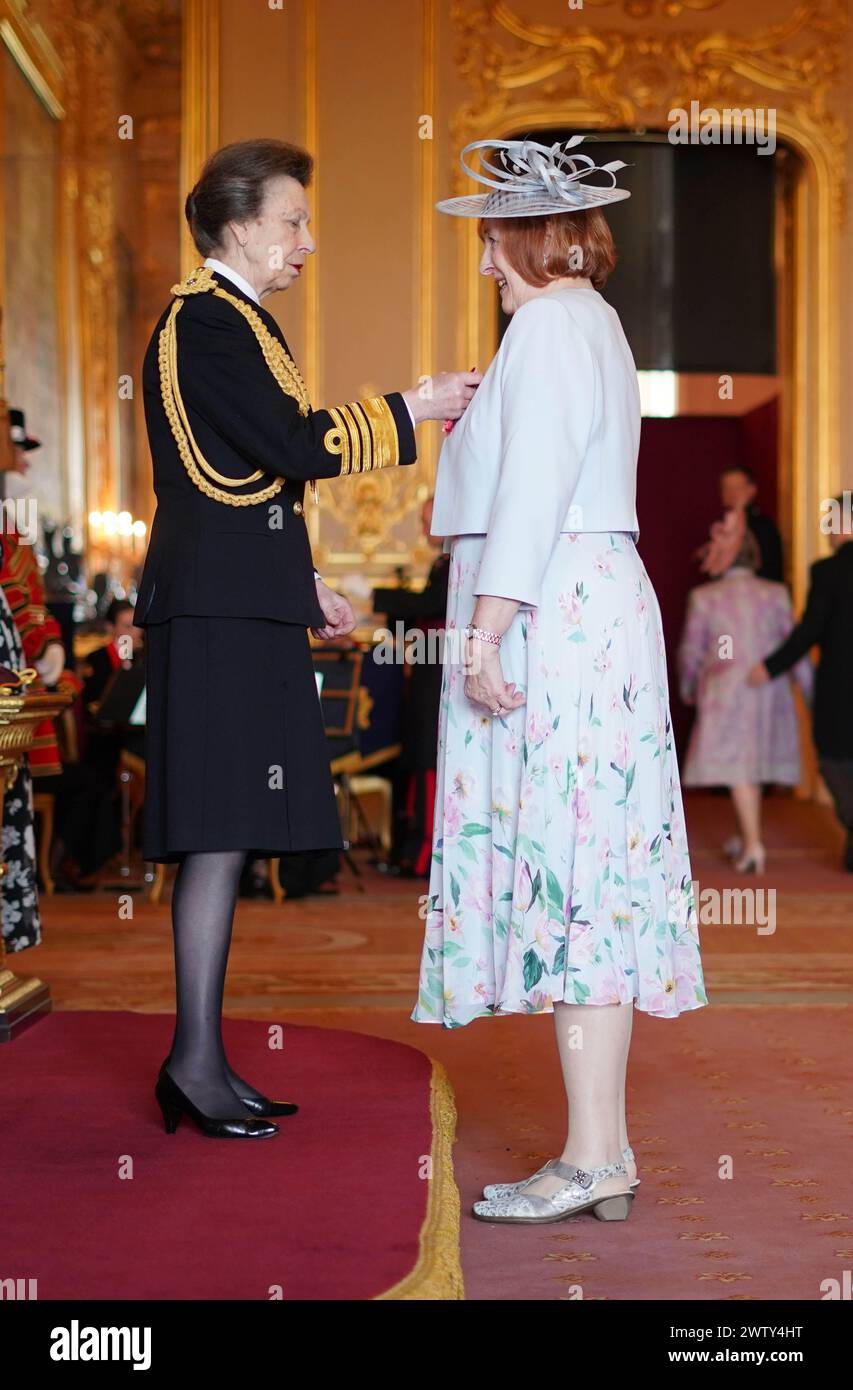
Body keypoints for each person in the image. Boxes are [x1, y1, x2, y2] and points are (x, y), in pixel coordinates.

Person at [135, 137, 479, 1140]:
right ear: (239, 225)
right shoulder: (208, 321)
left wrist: (305, 577)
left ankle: (199, 1056)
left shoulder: (230, 321)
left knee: (228, 830)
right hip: (214, 613)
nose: (307, 242)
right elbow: (289, 449)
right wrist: (409, 409)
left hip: (236, 598)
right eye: (293, 220)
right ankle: (192, 1062)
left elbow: (240, 482)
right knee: (214, 831)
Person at [412, 136, 707, 1226]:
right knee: (593, 870)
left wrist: (484, 637)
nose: (483, 257)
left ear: (526, 234)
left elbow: (532, 492)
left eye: (491, 235)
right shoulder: (593, 321)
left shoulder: (543, 324)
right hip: (592, 599)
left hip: (549, 608)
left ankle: (590, 1156)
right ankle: (604, 1146)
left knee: (574, 871)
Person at [678, 509, 812, 874]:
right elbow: (792, 643)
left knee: (738, 768)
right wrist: (809, 690)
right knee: (749, 767)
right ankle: (744, 835)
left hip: (726, 687)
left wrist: (690, 683)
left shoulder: (707, 597)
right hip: (767, 688)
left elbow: (697, 648)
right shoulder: (775, 593)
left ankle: (753, 845)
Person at [748, 497, 853, 870]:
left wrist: (770, 667)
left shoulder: (827, 571)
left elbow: (810, 631)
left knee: (832, 758)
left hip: (841, 685)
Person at [373, 496, 449, 875]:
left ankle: (424, 854)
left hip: (436, 672)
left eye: (428, 520)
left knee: (428, 757)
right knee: (419, 754)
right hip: (427, 668)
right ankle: (414, 848)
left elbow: (432, 603)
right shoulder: (443, 562)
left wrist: (380, 598)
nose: (423, 529)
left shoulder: (454, 564)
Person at [719, 464, 783, 582]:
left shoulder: (764, 527)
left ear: (752, 490)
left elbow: (771, 571)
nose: (731, 493)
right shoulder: (719, 527)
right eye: (726, 488)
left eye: (737, 488)